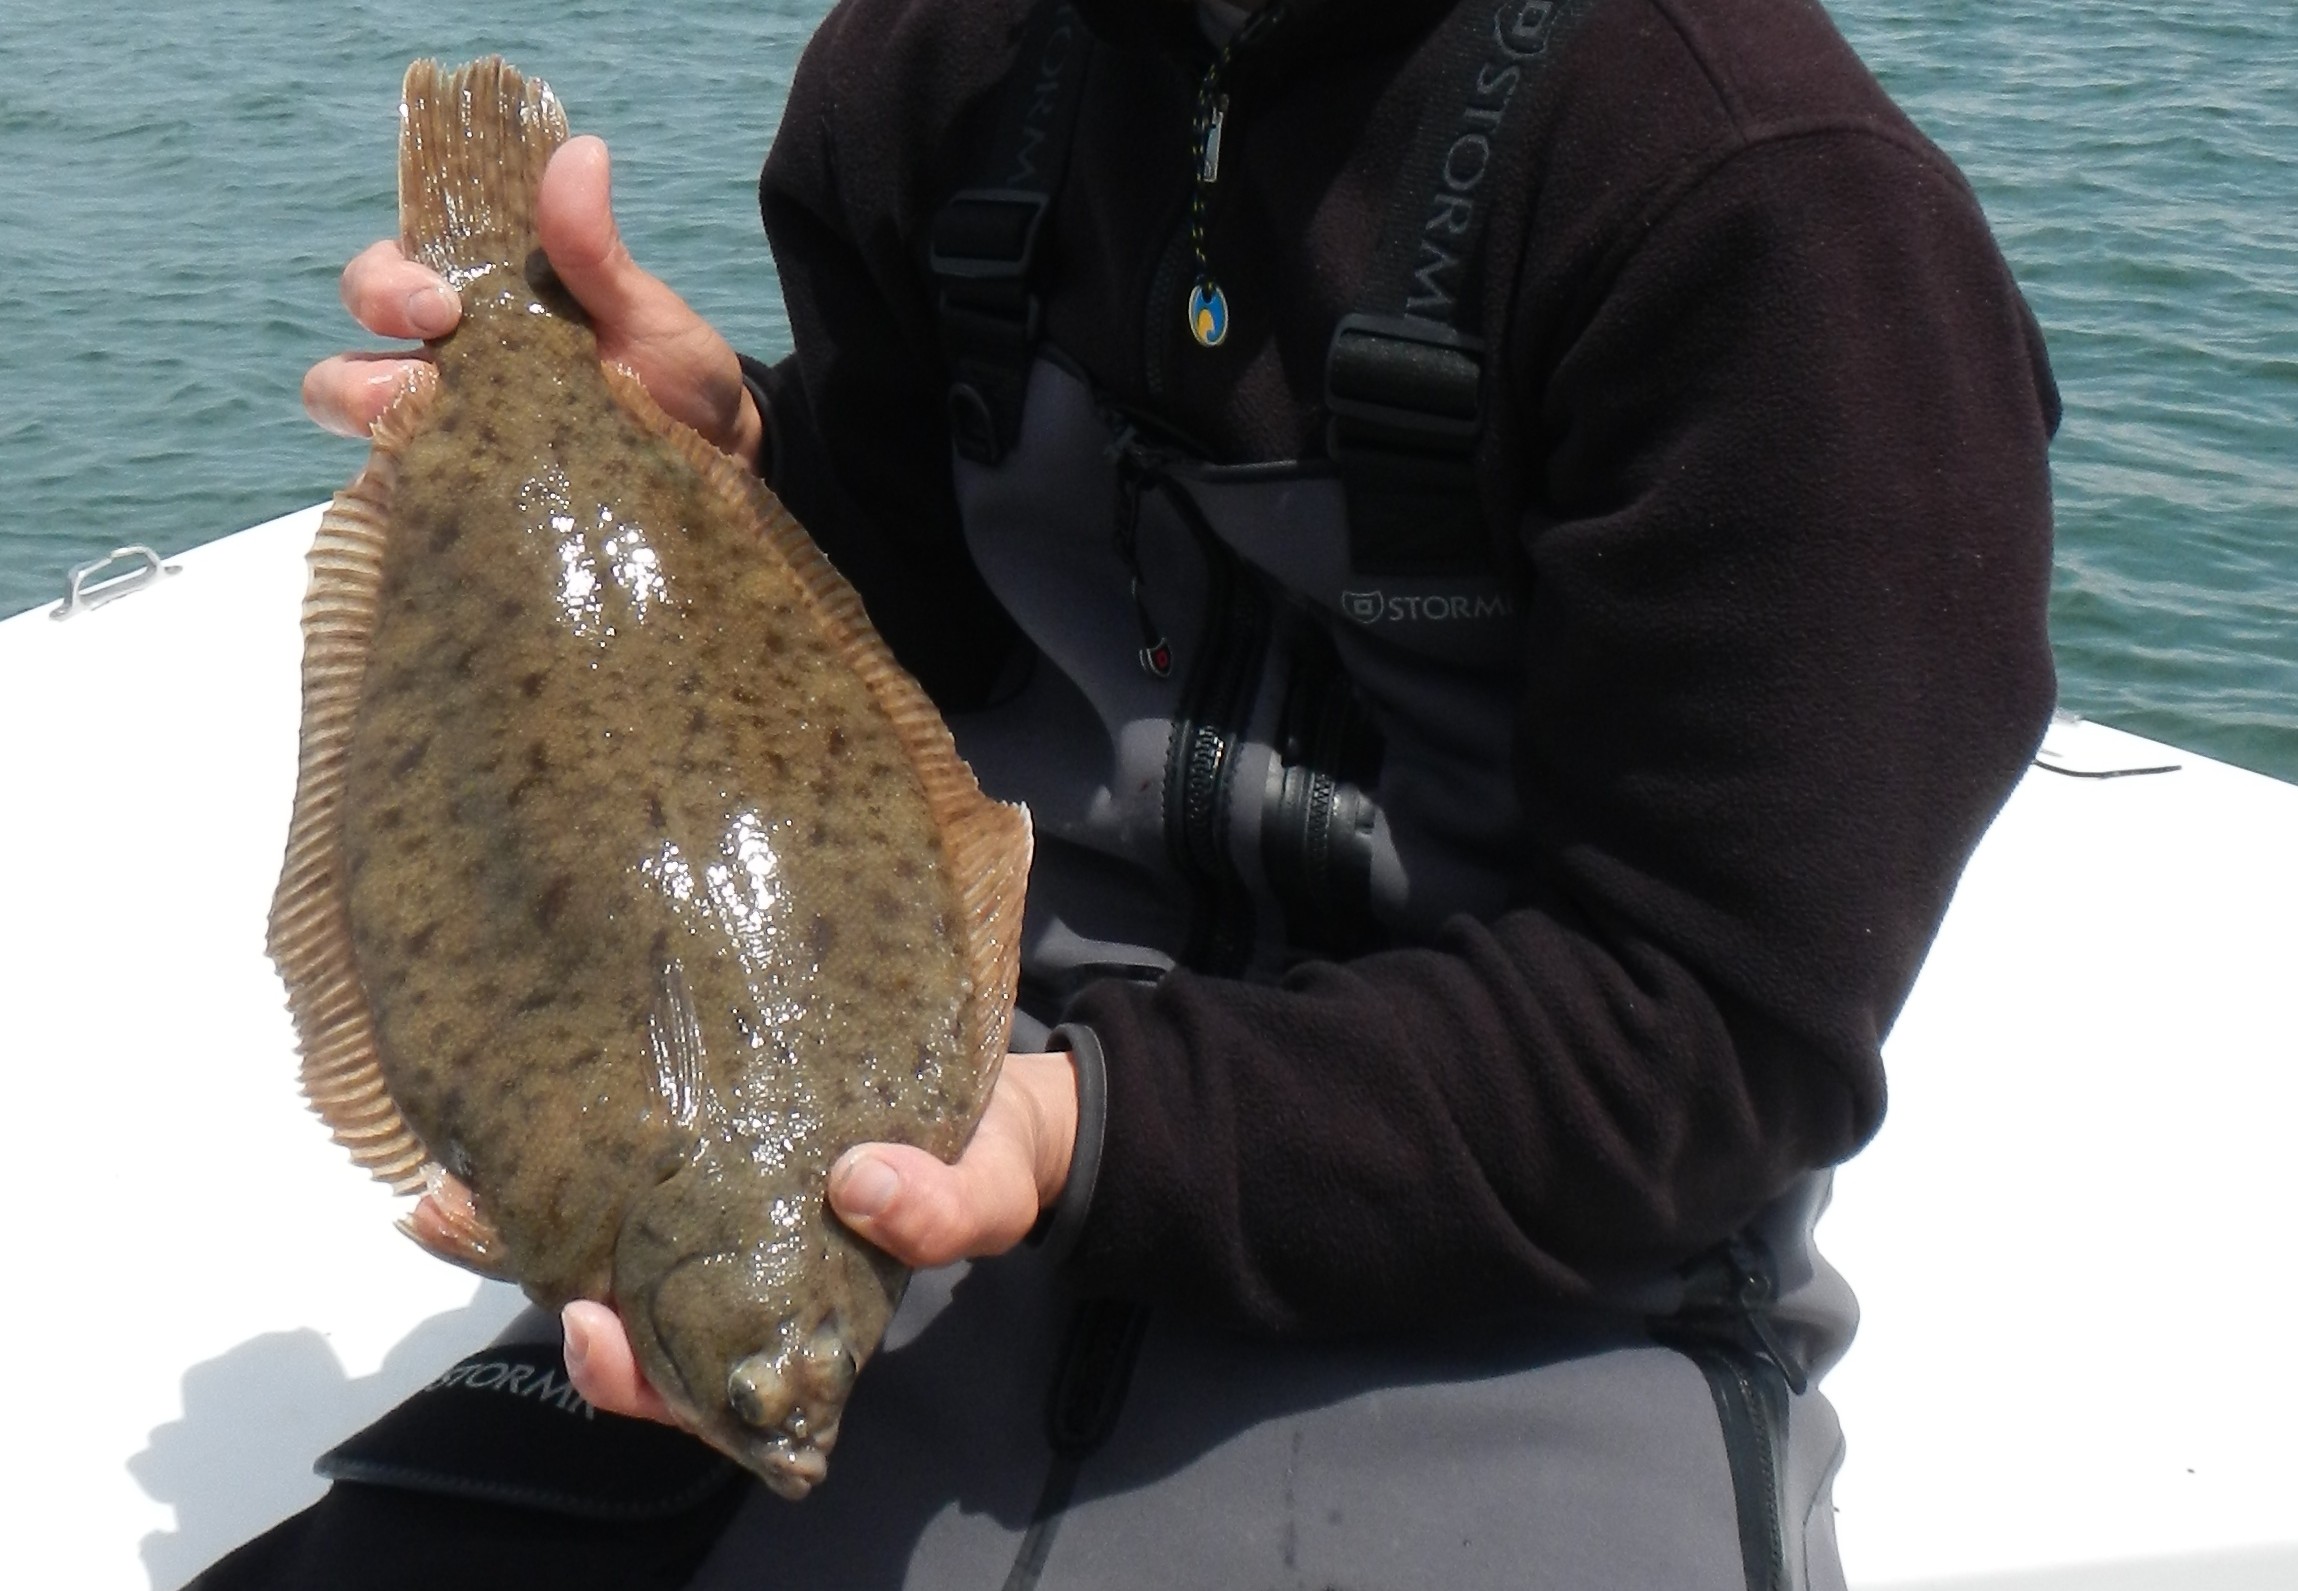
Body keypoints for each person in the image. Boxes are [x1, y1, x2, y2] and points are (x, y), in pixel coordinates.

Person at [264, 0, 2058, 1585]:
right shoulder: (939, 69)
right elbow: (903, 644)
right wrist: (731, 470)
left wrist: (1082, 1128)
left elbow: (1713, 1032)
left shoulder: (1770, 208)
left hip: (1537, 1252)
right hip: (900, 1146)